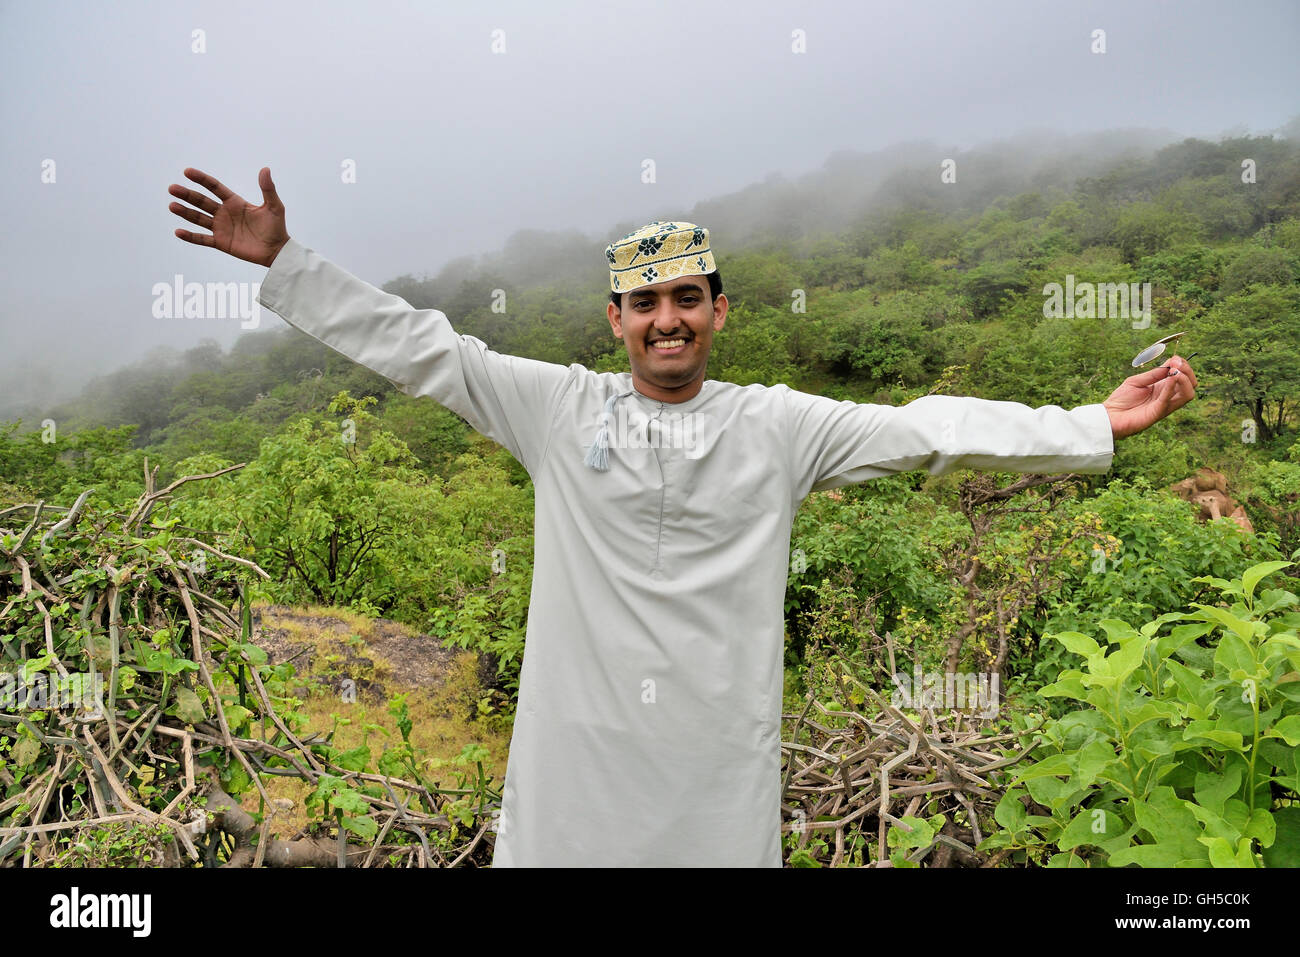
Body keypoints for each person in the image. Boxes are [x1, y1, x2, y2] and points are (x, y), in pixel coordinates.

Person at [167, 166, 1198, 866]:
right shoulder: (556, 408)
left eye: (688, 298)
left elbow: (925, 426)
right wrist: (289, 264)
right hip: (573, 790)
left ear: (718, 311)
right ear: (614, 320)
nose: (668, 319)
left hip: (716, 792)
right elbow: (424, 348)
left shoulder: (779, 428)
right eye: (645, 303)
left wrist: (1088, 425)